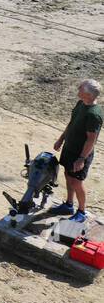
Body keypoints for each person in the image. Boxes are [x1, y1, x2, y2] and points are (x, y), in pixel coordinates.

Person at [54, 79, 101, 223]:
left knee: (77, 182)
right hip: (69, 148)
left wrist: (81, 159)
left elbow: (91, 140)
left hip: (80, 154)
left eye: (81, 88)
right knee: (68, 175)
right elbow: (71, 123)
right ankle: (69, 204)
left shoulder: (94, 114)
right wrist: (61, 139)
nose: (78, 89)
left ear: (87, 94)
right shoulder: (81, 104)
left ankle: (81, 211)